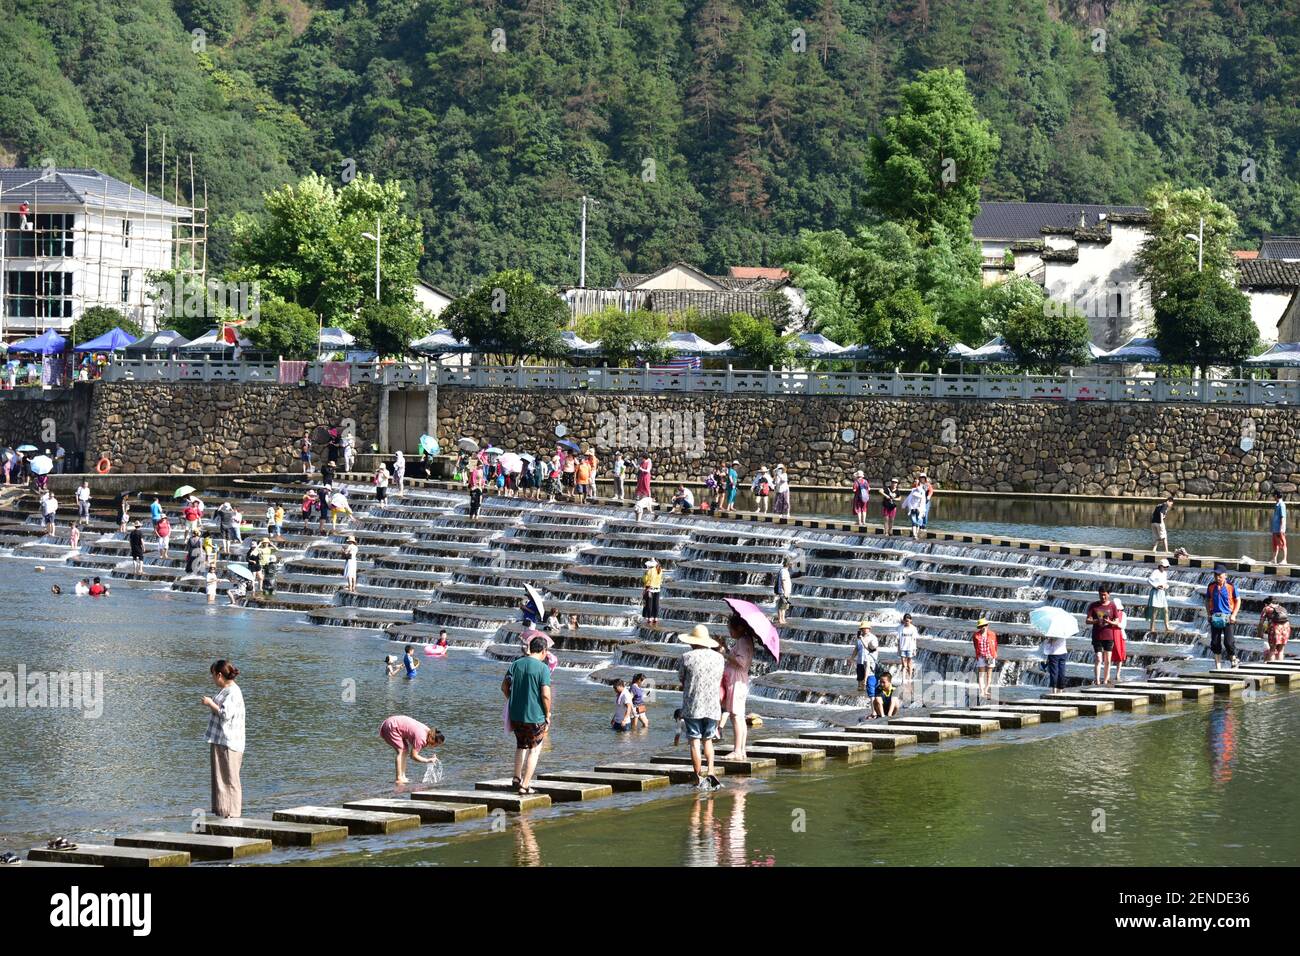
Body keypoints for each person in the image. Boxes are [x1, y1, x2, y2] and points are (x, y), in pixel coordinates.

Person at [502, 634, 553, 794]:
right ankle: (525, 785)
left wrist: (512, 699)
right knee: (535, 749)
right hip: (535, 716)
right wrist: (548, 713)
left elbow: (504, 686)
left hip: (516, 714)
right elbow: (545, 694)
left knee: (520, 745)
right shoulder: (543, 668)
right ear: (544, 651)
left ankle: (516, 778)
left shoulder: (516, 664)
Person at [676, 625, 724, 790]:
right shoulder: (719, 658)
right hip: (713, 706)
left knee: (694, 742)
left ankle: (698, 777)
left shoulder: (686, 657)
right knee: (708, 741)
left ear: (692, 642)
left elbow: (682, 679)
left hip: (693, 706)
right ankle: (711, 771)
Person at [202, 660, 245, 818]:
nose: (212, 679)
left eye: (213, 675)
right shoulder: (226, 690)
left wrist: (210, 703)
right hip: (221, 740)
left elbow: (225, 714)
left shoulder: (233, 692)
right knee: (221, 779)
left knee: (230, 779)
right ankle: (223, 811)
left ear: (219, 675)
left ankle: (233, 813)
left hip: (229, 742)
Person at [721, 611, 756, 760]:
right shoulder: (746, 639)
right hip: (740, 679)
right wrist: (726, 648)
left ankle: (737, 750)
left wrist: (724, 653)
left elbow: (740, 662)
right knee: (739, 716)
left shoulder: (742, 641)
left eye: (731, 629)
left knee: (736, 716)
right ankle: (741, 750)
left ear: (739, 628)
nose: (730, 632)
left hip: (736, 679)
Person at [378, 715, 444, 785]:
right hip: (392, 726)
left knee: (405, 750)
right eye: (437, 744)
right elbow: (413, 756)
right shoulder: (422, 738)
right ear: (433, 739)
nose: (436, 746)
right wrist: (428, 760)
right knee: (401, 751)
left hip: (393, 722)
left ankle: (403, 776)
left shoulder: (430, 732)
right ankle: (399, 778)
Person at [1085, 587, 1123, 686]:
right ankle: (1097, 680)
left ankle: (1105, 681)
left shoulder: (1112, 606)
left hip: (1109, 635)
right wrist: (1096, 621)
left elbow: (1117, 621)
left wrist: (1109, 622)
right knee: (1098, 658)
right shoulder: (1093, 606)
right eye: (1101, 594)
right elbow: (1087, 620)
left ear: (1108, 594)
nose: (1103, 596)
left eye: (1104, 594)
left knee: (1108, 660)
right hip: (1097, 635)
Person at [1205, 566, 1240, 669]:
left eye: (1219, 575)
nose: (1217, 577)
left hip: (1228, 618)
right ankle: (1218, 667)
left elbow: (1238, 600)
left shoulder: (1231, 586)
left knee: (1229, 642)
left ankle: (1233, 659)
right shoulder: (1211, 586)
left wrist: (1234, 615)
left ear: (1225, 575)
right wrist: (1209, 614)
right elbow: (1207, 600)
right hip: (1215, 617)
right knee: (1215, 642)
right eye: (1215, 575)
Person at [1040, 614, 1069, 691]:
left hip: (1054, 654)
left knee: (1054, 672)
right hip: (1063, 652)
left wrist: (1048, 638)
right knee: (1062, 672)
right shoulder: (1065, 629)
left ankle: (1054, 690)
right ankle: (1061, 690)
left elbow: (1050, 640)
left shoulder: (1052, 630)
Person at [972, 617, 998, 701]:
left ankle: (986, 690)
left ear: (987, 625)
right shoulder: (976, 635)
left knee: (989, 674)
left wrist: (992, 655)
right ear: (979, 627)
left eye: (985, 625)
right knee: (981, 674)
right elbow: (976, 646)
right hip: (981, 657)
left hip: (990, 656)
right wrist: (980, 655)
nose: (983, 627)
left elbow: (995, 645)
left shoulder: (992, 634)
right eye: (981, 625)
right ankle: (981, 691)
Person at [852, 621, 879, 695]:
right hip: (860, 660)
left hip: (869, 660)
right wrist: (851, 658)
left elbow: (875, 649)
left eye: (865, 628)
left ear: (869, 629)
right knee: (859, 676)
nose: (864, 630)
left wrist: (874, 658)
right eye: (862, 628)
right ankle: (860, 690)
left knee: (868, 677)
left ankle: (867, 690)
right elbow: (856, 648)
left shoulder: (873, 638)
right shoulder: (859, 638)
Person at [1146, 558, 1172, 634]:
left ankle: (1167, 627)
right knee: (1155, 611)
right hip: (1156, 592)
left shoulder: (1165, 573)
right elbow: (1149, 580)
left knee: (1166, 610)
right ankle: (1152, 627)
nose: (1166, 568)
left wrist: (1166, 586)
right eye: (1165, 567)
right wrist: (1156, 586)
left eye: (1167, 567)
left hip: (1162, 593)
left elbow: (1165, 583)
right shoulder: (1156, 572)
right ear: (1160, 566)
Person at [896, 612, 919, 684]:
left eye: (908, 621)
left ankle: (909, 678)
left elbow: (914, 639)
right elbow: (898, 639)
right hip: (903, 648)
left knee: (909, 663)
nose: (907, 622)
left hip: (910, 648)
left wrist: (914, 650)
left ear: (911, 620)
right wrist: (898, 649)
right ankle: (903, 680)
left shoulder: (913, 628)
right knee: (903, 664)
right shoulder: (900, 628)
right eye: (905, 621)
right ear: (903, 620)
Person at [642, 558, 662, 625]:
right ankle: (655, 618)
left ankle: (649, 618)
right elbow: (660, 580)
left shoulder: (650, 571)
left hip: (650, 590)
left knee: (649, 604)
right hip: (657, 589)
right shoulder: (660, 570)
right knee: (656, 604)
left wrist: (644, 574)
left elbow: (645, 580)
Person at [774, 557, 793, 625]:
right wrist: (785, 592)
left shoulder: (785, 570)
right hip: (783, 592)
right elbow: (783, 582)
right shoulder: (784, 571)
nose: (792, 564)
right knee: (781, 606)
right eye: (791, 563)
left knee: (784, 606)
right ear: (788, 564)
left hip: (785, 591)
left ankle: (783, 618)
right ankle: (780, 619)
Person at [1272, 491, 1288, 564]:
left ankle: (1284, 559)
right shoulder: (1277, 504)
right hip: (1275, 528)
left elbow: (1283, 517)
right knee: (1275, 544)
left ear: (1276, 496)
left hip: (1280, 528)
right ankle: (1274, 559)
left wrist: (1281, 529)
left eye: (1274, 496)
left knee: (1282, 543)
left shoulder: (1281, 505)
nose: (1273, 497)